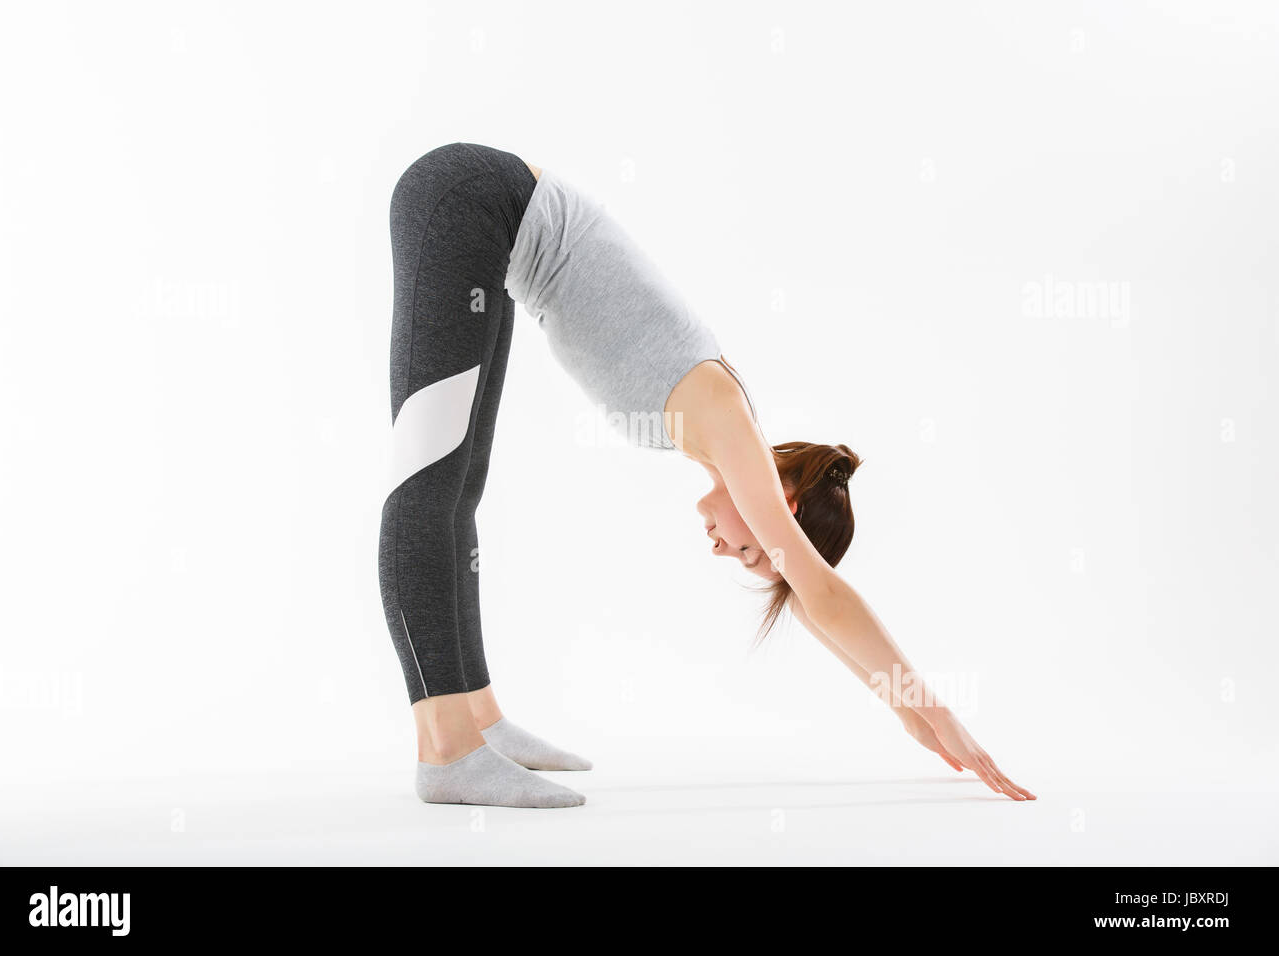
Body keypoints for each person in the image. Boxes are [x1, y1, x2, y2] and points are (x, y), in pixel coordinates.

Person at [380, 142, 1035, 809]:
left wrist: (902, 714)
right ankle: (447, 751)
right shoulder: (725, 419)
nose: (725, 549)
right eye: (752, 547)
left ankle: (478, 721)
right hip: (467, 199)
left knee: (458, 487)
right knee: (431, 482)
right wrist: (937, 710)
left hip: (489, 221)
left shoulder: (715, 427)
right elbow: (823, 592)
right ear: (783, 499)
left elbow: (810, 604)